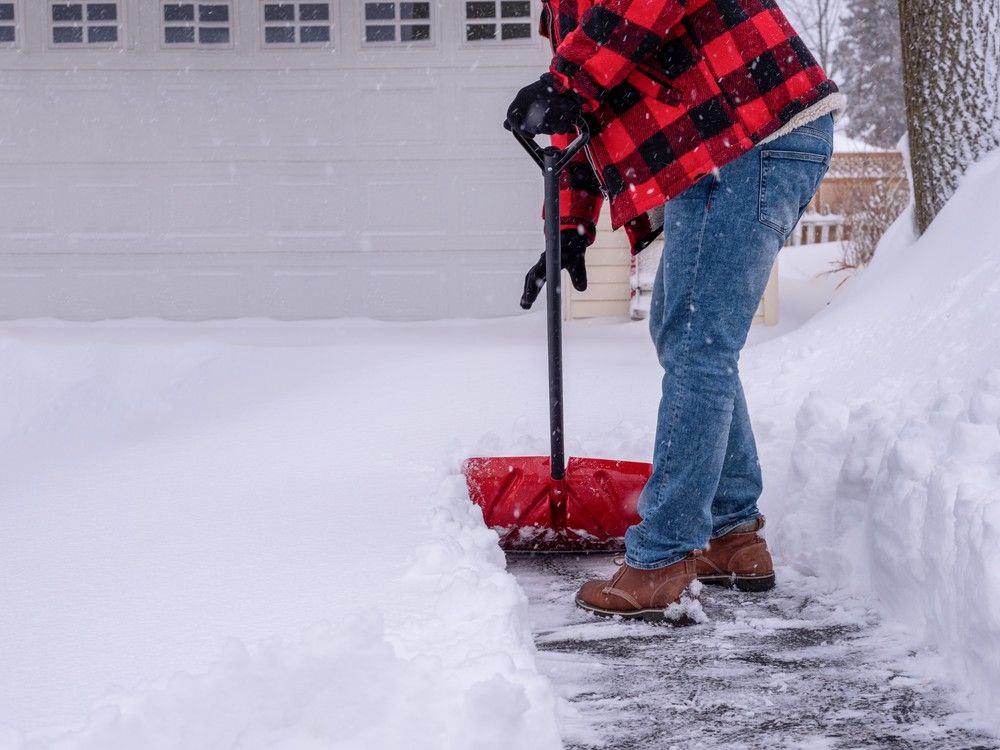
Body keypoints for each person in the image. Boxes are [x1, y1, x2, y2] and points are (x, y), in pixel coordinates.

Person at [507, 0, 845, 621]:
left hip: (750, 125)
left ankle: (663, 558)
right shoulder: (562, 11)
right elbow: (581, 111)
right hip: (720, 138)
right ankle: (730, 534)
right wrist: (569, 226)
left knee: (698, 341)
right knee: (685, 333)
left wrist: (566, 81)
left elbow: (598, 58)